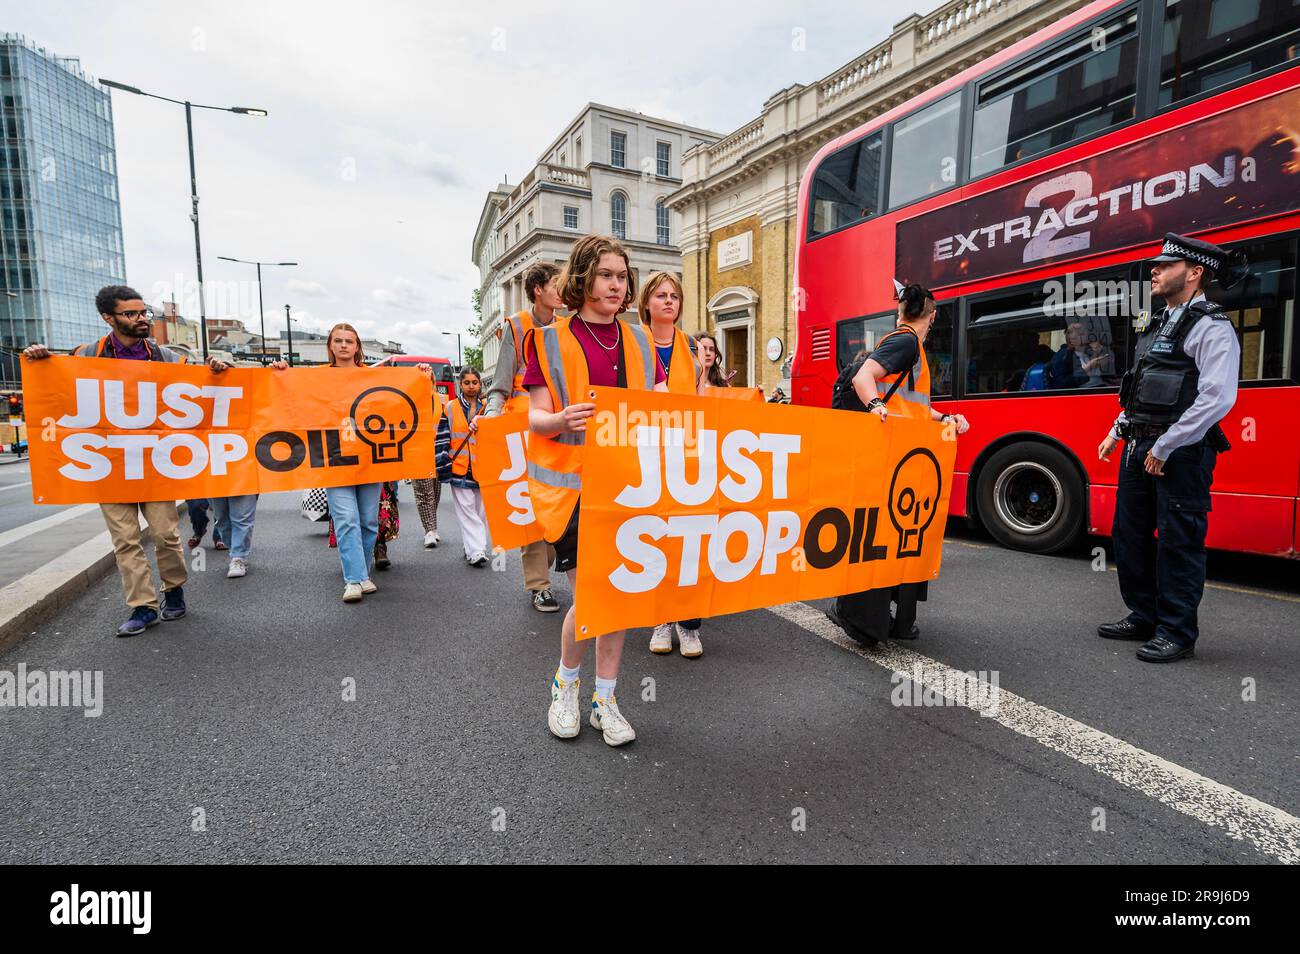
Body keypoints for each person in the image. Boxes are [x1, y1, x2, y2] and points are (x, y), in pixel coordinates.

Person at [21, 285, 231, 636]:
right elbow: (54, 392)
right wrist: (38, 359)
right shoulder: (84, 356)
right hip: (110, 465)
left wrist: (215, 368)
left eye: (143, 312)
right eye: (131, 314)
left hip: (155, 464)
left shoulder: (166, 358)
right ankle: (142, 606)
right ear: (109, 317)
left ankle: (173, 590)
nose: (141, 319)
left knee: (165, 535)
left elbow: (200, 390)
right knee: (126, 541)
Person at [524, 234, 667, 746]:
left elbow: (658, 405)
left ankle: (606, 699)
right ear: (584, 277)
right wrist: (559, 417)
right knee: (591, 598)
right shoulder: (546, 340)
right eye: (606, 274)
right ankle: (566, 685)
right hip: (575, 489)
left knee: (622, 596)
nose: (616, 284)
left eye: (622, 275)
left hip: (630, 483)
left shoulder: (641, 340)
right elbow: (535, 417)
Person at [1097, 233, 1245, 663]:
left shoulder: (1211, 326)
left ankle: (1177, 632)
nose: (1155, 271)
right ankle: (1144, 614)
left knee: (1178, 540)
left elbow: (1217, 397)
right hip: (1140, 444)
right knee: (1130, 533)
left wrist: (1165, 444)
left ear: (1195, 273)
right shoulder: (1156, 321)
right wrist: (1117, 428)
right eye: (1156, 266)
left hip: (1180, 451)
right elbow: (1141, 387)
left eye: (1165, 266)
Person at [826, 282, 970, 646]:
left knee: (902, 535)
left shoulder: (911, 345)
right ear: (932, 315)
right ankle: (866, 619)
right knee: (890, 535)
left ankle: (892, 620)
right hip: (891, 456)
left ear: (901, 310)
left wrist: (943, 419)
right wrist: (876, 407)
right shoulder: (905, 341)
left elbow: (914, 405)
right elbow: (864, 378)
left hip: (904, 456)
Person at [311, 323, 429, 603]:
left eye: (348, 341)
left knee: (367, 521)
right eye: (337, 341)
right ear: (330, 345)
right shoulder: (315, 377)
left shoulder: (372, 377)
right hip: (335, 459)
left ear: (357, 347)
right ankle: (353, 580)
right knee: (346, 520)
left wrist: (420, 375)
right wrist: (279, 370)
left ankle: (362, 574)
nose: (343, 346)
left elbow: (397, 400)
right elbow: (288, 391)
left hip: (369, 459)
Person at [481, 261, 561, 612]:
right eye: (556, 284)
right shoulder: (516, 327)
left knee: (560, 508)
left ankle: (551, 555)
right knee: (529, 510)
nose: (563, 289)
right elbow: (500, 384)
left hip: (559, 428)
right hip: (521, 430)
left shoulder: (568, 329)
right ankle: (539, 585)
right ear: (538, 289)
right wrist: (491, 421)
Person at [639, 271, 707, 658]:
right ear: (647, 302)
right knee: (656, 538)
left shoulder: (692, 348)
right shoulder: (633, 344)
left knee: (690, 540)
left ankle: (690, 624)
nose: (669, 301)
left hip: (686, 456)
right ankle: (661, 619)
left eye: (674, 296)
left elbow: (701, 403)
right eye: (661, 295)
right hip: (648, 455)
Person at [437, 367, 490, 567]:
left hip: (484, 468)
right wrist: (443, 463)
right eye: (466, 383)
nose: (471, 387)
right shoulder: (450, 407)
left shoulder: (489, 407)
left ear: (480, 383)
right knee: (467, 511)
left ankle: (471, 547)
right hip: (459, 466)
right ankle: (477, 550)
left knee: (480, 512)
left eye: (474, 382)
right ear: (461, 384)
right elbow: (442, 436)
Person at [211, 494, 259, 578]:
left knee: (242, 517)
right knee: (221, 518)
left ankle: (238, 557)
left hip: (243, 481)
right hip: (213, 482)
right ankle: (234, 548)